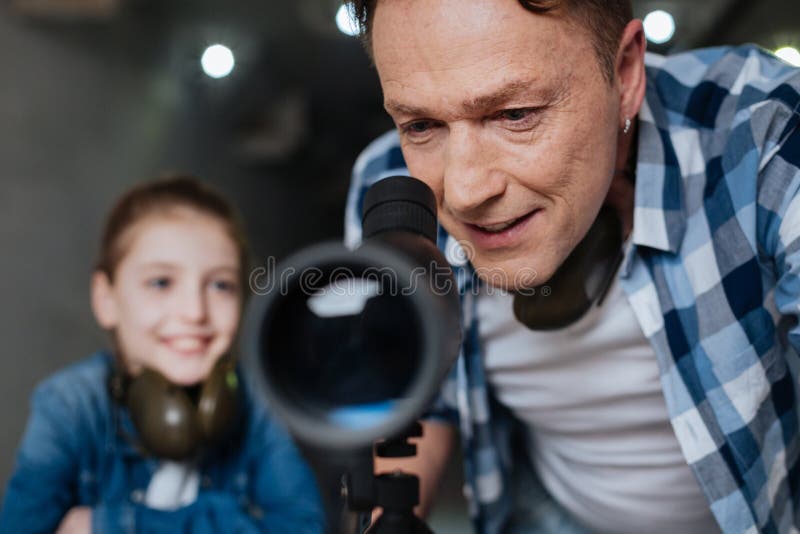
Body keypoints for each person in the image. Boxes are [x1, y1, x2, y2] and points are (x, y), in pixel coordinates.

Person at [342, 0, 800, 532]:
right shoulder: (391, 192)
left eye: (516, 114)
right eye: (420, 124)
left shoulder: (772, 131)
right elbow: (416, 402)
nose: (464, 193)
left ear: (626, 72)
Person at [0, 176, 325, 533]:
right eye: (161, 282)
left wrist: (112, 526)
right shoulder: (69, 406)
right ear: (106, 299)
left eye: (221, 285)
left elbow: (305, 527)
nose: (194, 311)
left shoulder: (260, 406)